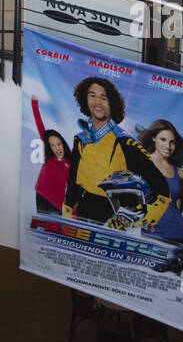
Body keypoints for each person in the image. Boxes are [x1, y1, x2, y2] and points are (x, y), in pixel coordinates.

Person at [62, 77, 171, 232]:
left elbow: (161, 187)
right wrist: (67, 209)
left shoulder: (125, 142)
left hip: (115, 215)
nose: (97, 101)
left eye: (103, 97)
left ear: (111, 103)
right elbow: (73, 180)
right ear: (85, 99)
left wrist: (144, 217)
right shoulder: (80, 139)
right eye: (92, 95)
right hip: (83, 210)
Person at [136, 120, 183, 245]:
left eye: (172, 142)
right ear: (154, 138)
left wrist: (181, 219)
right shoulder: (140, 164)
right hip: (150, 234)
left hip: (178, 235)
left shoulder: (180, 173)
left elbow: (179, 201)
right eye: (163, 140)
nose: (168, 146)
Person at [31, 95, 71, 214]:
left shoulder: (70, 163)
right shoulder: (50, 157)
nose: (56, 148)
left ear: (63, 143)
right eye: (52, 145)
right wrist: (34, 104)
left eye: (58, 144)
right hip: (41, 195)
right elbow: (40, 125)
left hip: (56, 204)